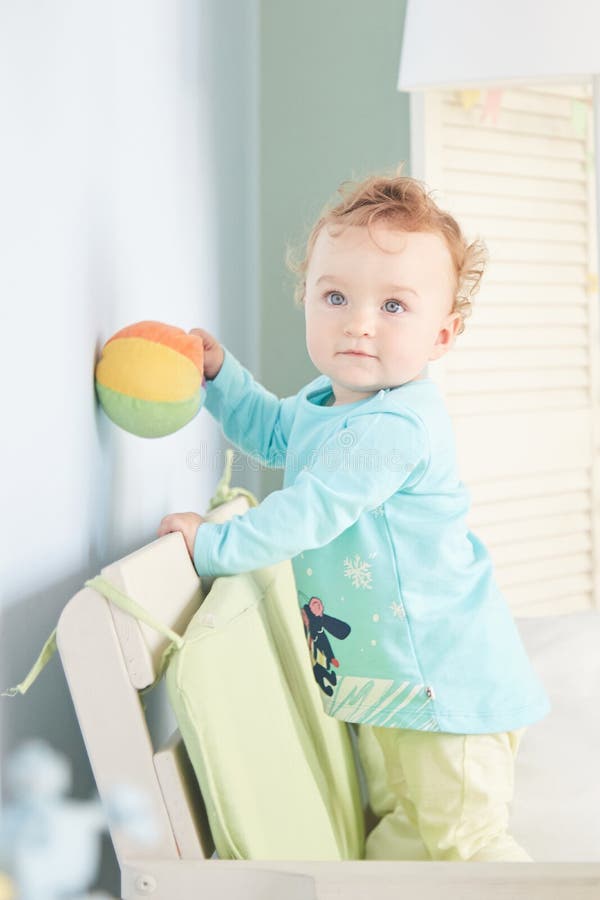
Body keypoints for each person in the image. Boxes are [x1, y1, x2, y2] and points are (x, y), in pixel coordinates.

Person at [157, 168, 550, 862]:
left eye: (394, 305)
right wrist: (220, 380)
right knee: (399, 840)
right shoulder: (328, 401)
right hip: (389, 686)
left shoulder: (397, 426)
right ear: (307, 299)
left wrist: (211, 545)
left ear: (442, 336)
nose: (359, 322)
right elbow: (275, 433)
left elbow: (308, 513)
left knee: (467, 848)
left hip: (444, 688)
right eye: (335, 296)